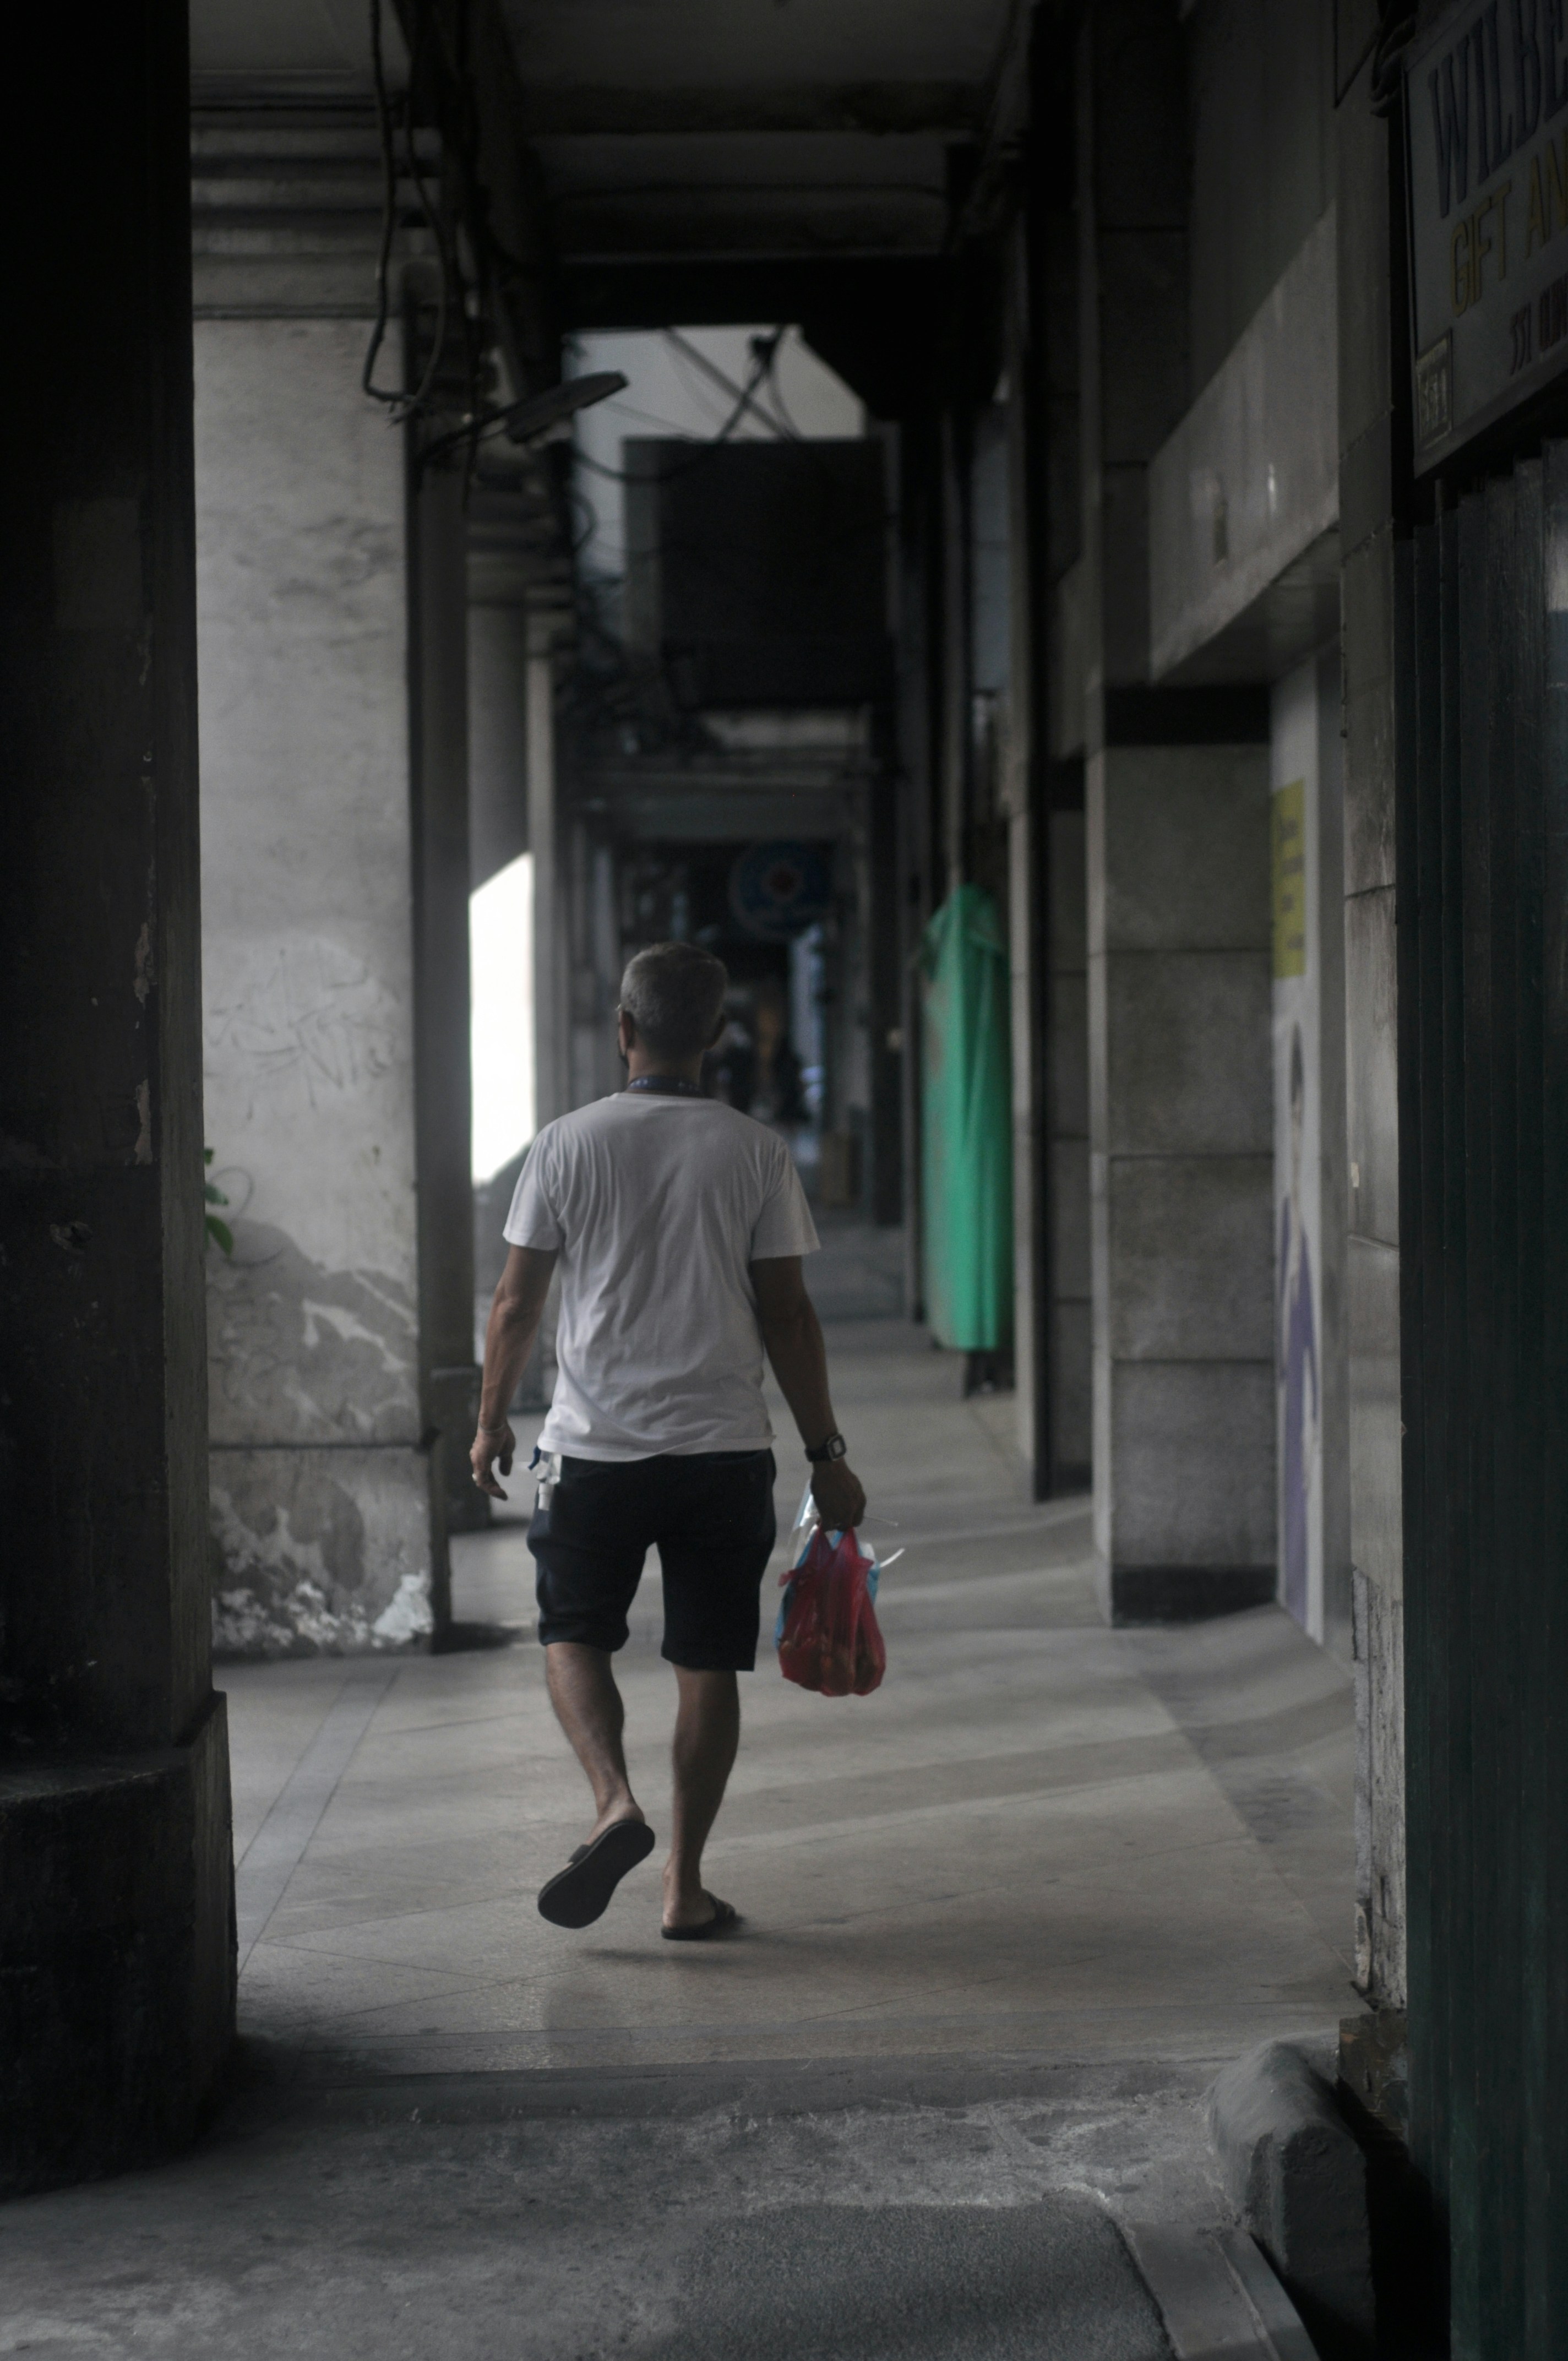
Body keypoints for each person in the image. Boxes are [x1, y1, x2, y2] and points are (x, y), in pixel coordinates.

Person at [470, 941, 867, 1939]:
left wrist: (489, 1421)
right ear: (718, 1035)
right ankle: (684, 1890)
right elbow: (789, 1315)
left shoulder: (563, 1144)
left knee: (572, 1635)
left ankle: (614, 1802)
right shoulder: (756, 1150)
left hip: (591, 1451)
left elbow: (516, 1303)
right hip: (722, 1453)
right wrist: (827, 1453)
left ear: (623, 1029)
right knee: (707, 1663)